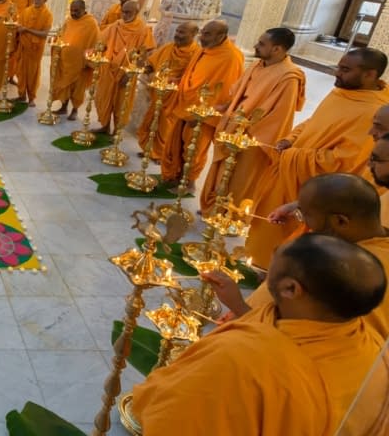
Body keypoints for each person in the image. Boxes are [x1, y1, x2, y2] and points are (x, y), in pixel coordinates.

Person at [132, 233, 386, 436]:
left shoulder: (240, 358)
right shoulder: (371, 345)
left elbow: (167, 413)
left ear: (290, 288)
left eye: (276, 260)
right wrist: (240, 307)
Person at [247, 48, 389, 266]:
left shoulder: (374, 112)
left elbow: (345, 162)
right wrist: (291, 139)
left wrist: (293, 156)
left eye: (345, 69)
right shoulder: (340, 92)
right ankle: (261, 266)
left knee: (291, 247)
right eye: (338, 67)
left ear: (370, 75)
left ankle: (275, 273)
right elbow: (312, 122)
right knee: (267, 228)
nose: (337, 73)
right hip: (290, 172)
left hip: (313, 182)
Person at [207, 173, 389, 339]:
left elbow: (298, 344)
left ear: (340, 221)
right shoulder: (359, 245)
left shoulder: (361, 272)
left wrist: (239, 306)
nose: (305, 224)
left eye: (305, 216)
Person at [199, 27, 305, 213]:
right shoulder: (258, 65)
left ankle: (230, 218)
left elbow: (280, 116)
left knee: (241, 179)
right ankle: (214, 208)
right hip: (233, 127)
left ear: (277, 49)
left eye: (262, 44)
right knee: (222, 170)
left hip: (254, 138)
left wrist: (246, 133)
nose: (256, 46)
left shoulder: (289, 77)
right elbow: (240, 94)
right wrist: (225, 108)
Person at [158, 20, 243, 189]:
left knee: (194, 149)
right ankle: (175, 176)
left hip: (204, 114)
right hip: (186, 104)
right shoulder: (204, 50)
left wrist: (201, 115)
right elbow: (194, 73)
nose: (202, 37)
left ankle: (189, 182)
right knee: (177, 144)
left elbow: (225, 93)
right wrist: (178, 81)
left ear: (221, 36)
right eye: (203, 33)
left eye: (208, 34)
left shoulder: (231, 57)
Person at [135, 22, 199, 161]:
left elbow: (195, 78)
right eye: (177, 31)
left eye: (182, 32)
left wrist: (175, 81)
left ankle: (161, 154)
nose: (178, 35)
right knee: (151, 122)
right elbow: (152, 64)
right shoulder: (168, 47)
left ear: (193, 35)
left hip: (176, 98)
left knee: (167, 127)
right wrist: (142, 68)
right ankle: (149, 149)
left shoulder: (196, 54)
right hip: (158, 94)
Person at [92, 1, 156, 135]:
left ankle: (117, 131)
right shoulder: (115, 25)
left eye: (128, 12)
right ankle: (105, 126)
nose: (125, 15)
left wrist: (130, 74)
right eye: (123, 12)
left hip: (126, 72)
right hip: (108, 69)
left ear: (136, 13)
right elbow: (101, 42)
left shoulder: (143, 30)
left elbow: (144, 55)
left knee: (121, 103)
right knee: (104, 99)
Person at [51, 0, 99, 120]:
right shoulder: (68, 20)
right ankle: (63, 107)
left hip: (80, 64)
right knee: (65, 86)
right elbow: (61, 35)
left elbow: (95, 43)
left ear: (83, 10)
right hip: (65, 61)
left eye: (76, 10)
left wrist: (88, 60)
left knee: (78, 89)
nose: (73, 13)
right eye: (71, 10)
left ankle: (75, 110)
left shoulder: (91, 23)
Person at [14, 0, 53, 106]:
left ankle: (31, 98)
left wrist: (27, 30)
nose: (36, 0)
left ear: (45, 0)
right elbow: (18, 26)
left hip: (35, 49)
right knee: (21, 72)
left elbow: (44, 34)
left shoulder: (48, 15)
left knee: (32, 73)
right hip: (23, 46)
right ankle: (21, 95)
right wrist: (18, 29)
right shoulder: (26, 11)